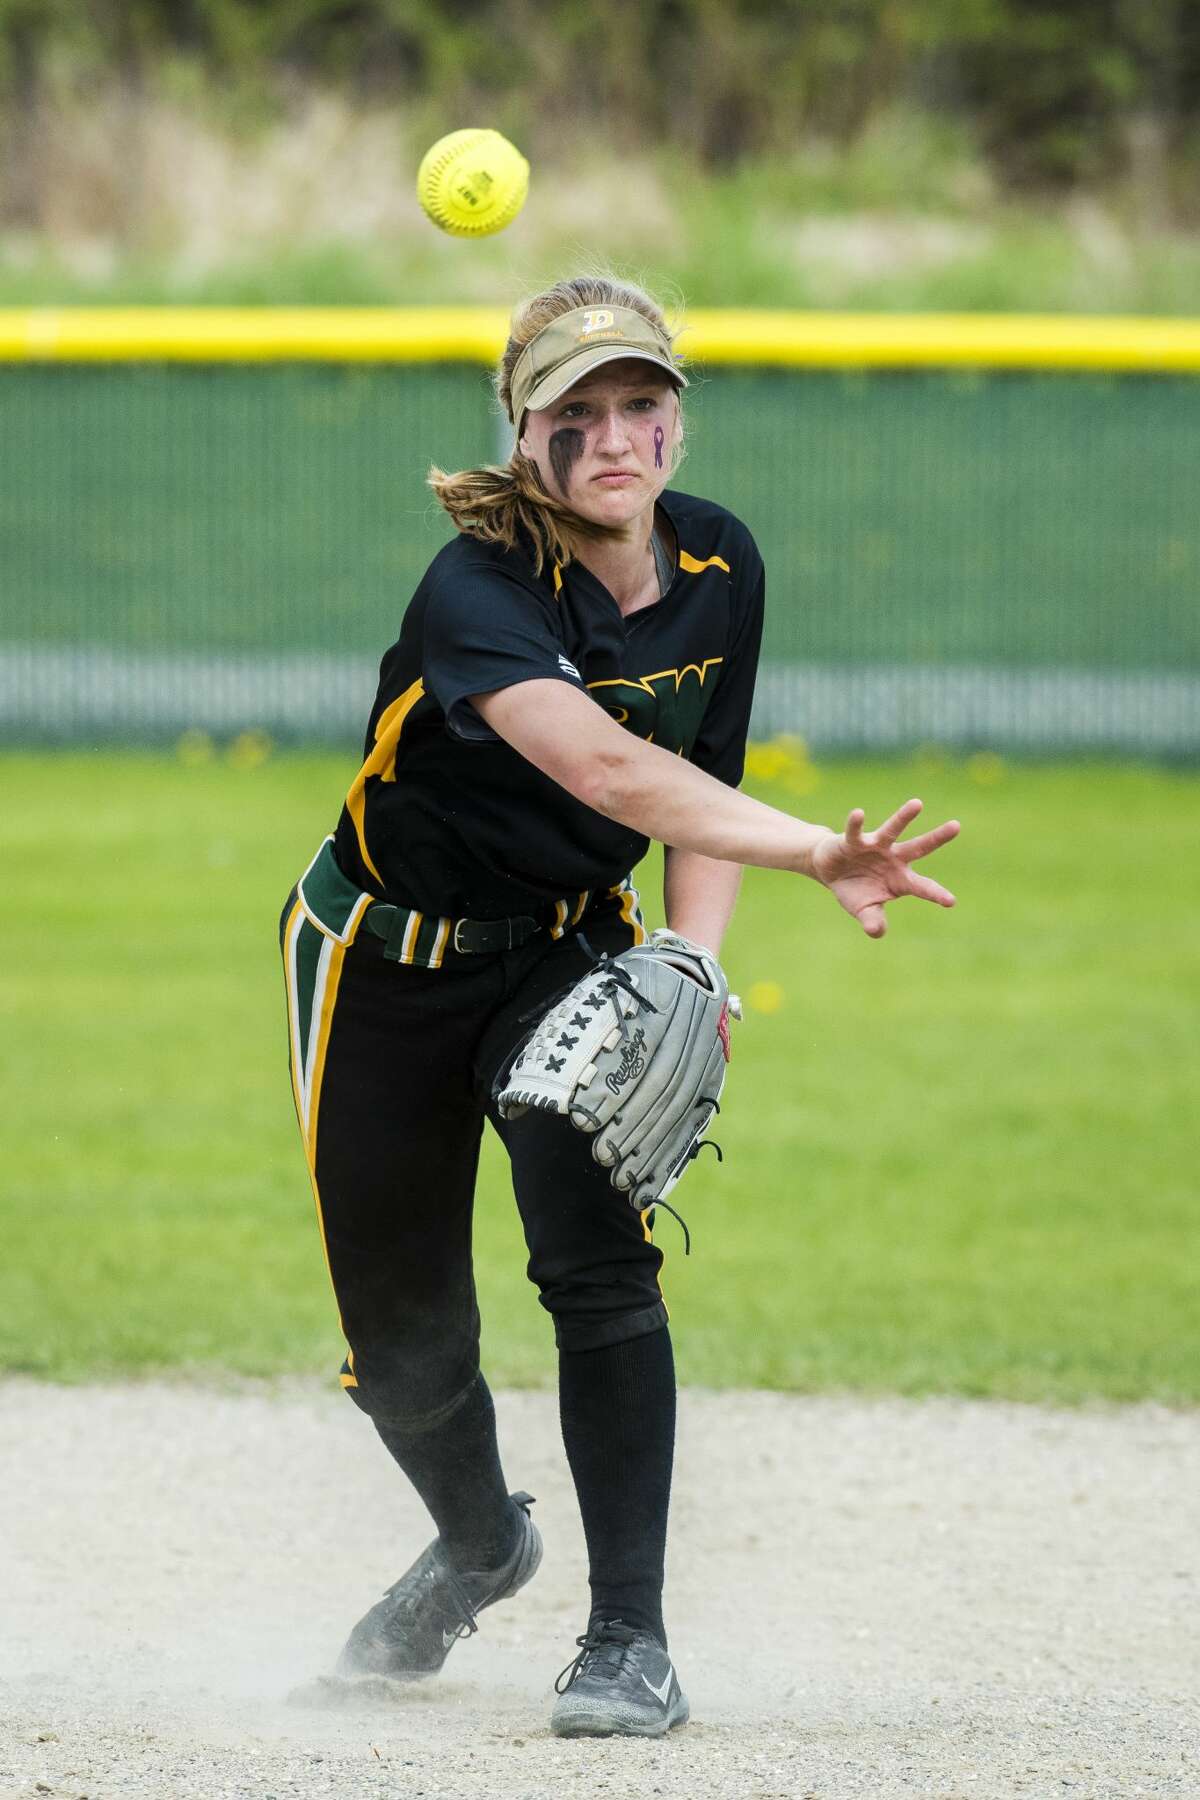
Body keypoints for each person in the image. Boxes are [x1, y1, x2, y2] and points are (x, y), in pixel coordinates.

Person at [279, 273, 959, 1739]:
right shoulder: (478, 588)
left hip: (564, 946)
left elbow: (695, 797)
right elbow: (608, 771)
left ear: (677, 417)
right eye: (573, 412)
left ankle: (628, 1642)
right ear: (521, 436)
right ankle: (478, 1547)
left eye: (639, 402)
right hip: (382, 962)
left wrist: (695, 968)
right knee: (402, 1351)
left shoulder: (720, 564)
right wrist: (817, 850)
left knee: (596, 1262)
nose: (613, 437)